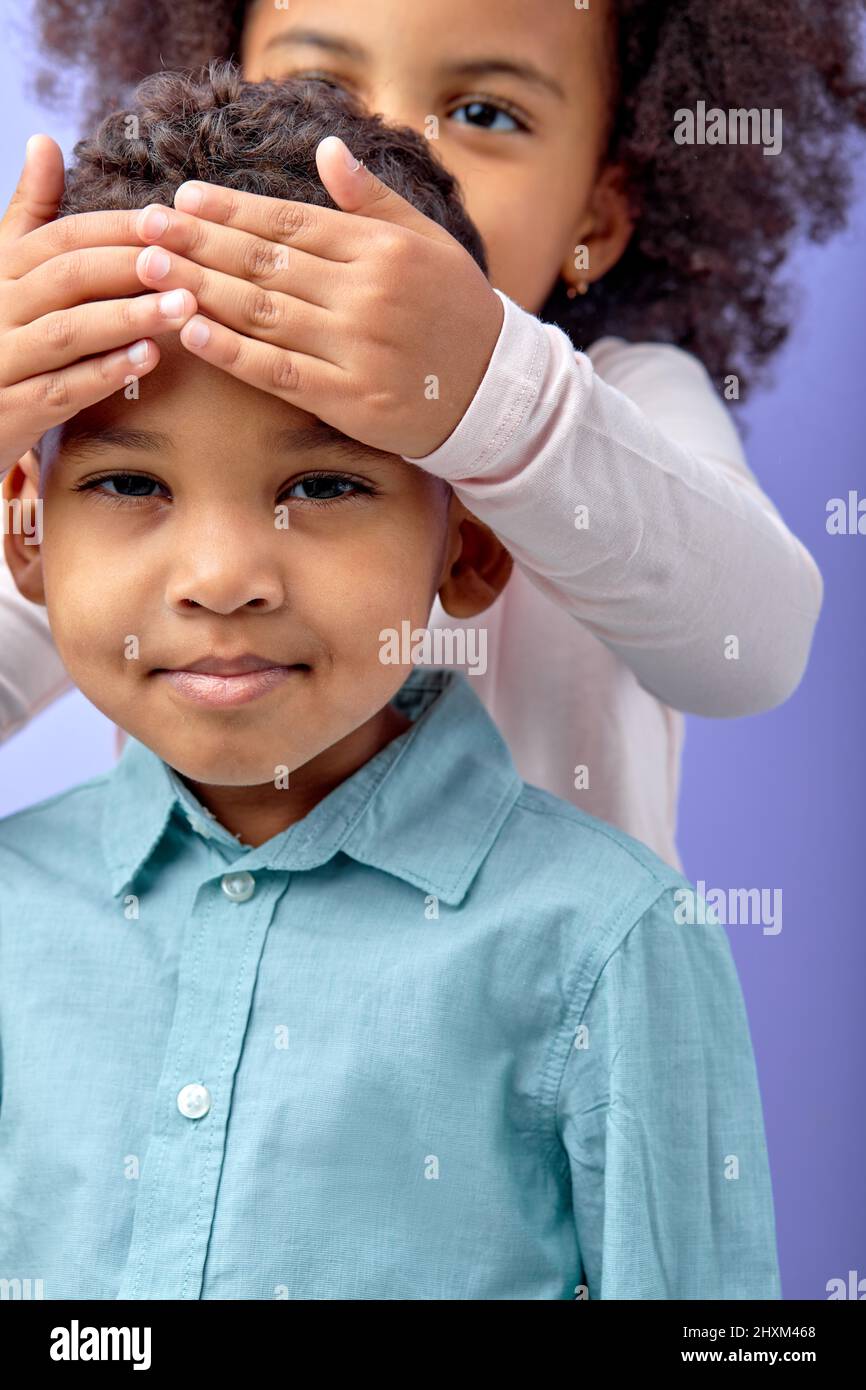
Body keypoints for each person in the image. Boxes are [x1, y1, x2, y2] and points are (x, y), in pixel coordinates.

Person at [0, 68, 781, 1300]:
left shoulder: (606, 943)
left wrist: (488, 384)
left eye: (321, 486)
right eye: (130, 485)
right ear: (25, 535)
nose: (220, 577)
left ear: (468, 546)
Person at [4, 0, 862, 864]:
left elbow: (754, 652)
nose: (398, 149)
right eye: (319, 87)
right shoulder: (129, 397)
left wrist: (492, 398)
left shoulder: (621, 399)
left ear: (596, 221)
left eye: (486, 113)